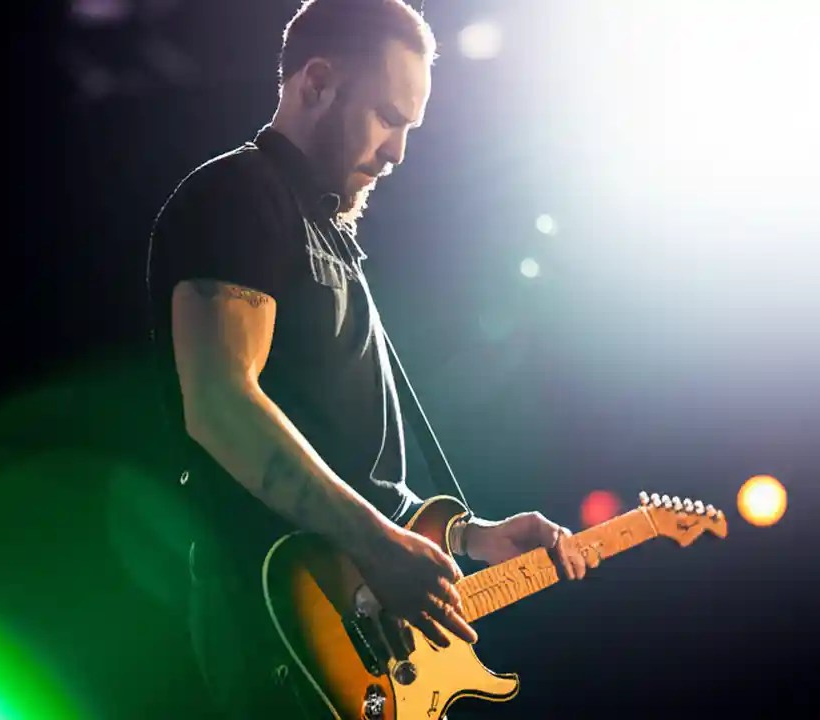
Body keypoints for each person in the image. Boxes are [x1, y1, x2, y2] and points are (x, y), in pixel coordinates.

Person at [144, 0, 588, 716]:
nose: (397, 153)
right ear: (314, 84)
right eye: (387, 117)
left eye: (409, 127)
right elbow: (221, 403)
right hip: (277, 625)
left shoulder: (323, 231)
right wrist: (377, 546)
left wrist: (469, 537)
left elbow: (355, 467)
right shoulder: (240, 195)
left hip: (353, 635)